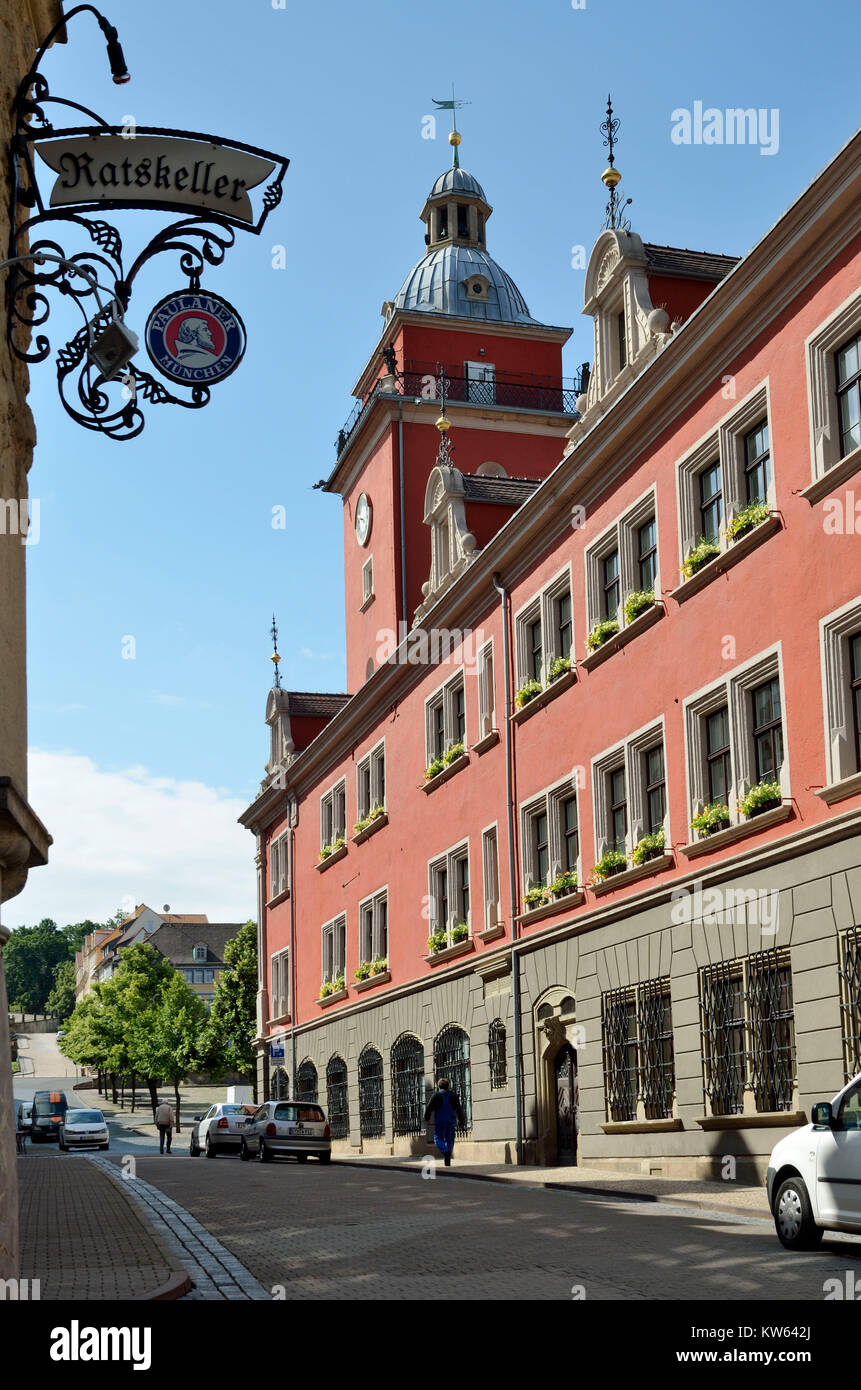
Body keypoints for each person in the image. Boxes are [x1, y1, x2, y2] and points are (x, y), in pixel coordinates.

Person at [424, 1077, 466, 1167]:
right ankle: (448, 1160)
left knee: (438, 1139)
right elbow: (459, 1110)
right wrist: (461, 1122)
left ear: (438, 1086)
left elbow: (429, 1107)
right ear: (448, 1086)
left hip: (440, 1121)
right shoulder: (453, 1096)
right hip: (451, 1121)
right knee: (450, 1140)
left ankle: (445, 1151)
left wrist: (427, 1118)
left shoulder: (436, 1096)